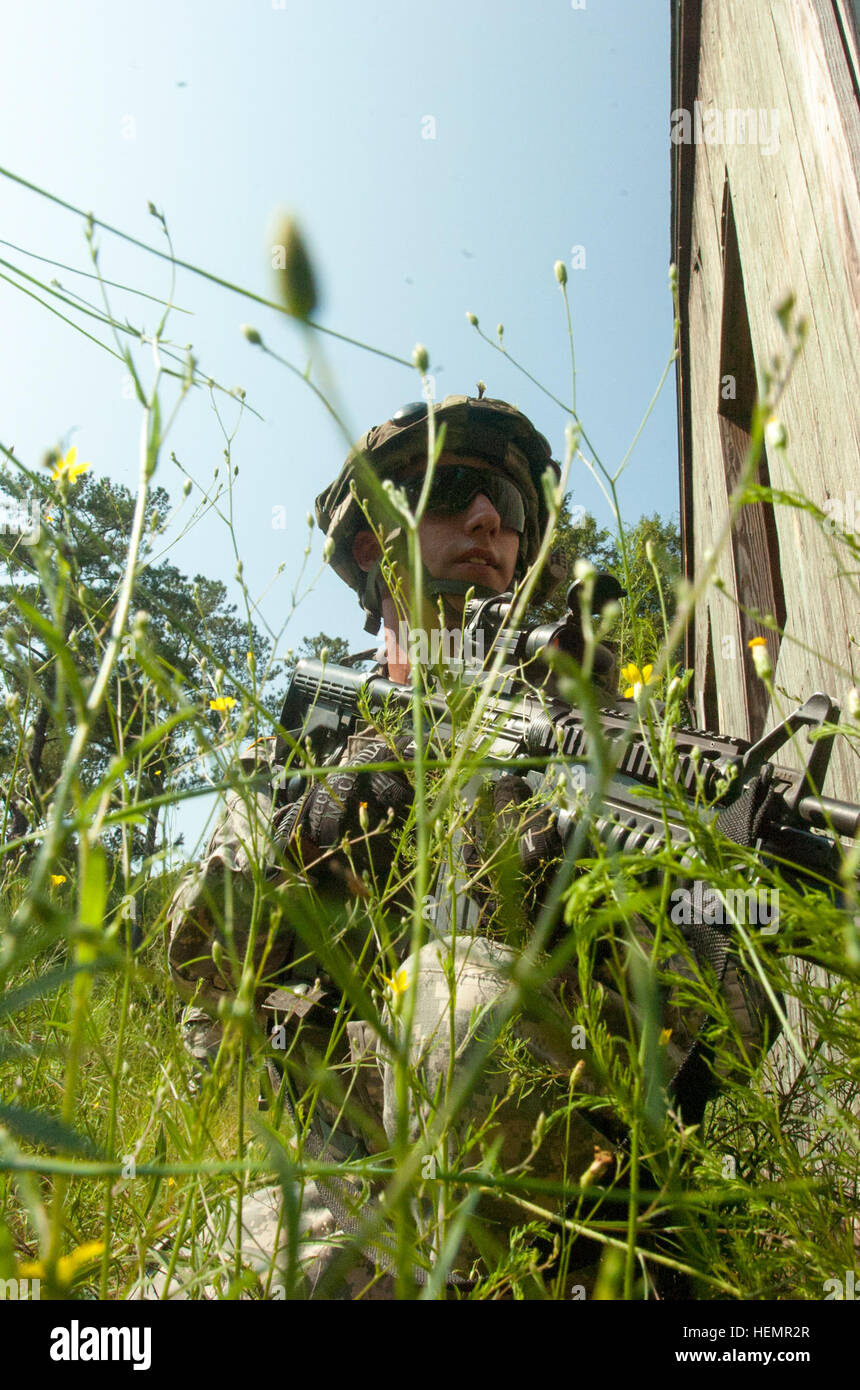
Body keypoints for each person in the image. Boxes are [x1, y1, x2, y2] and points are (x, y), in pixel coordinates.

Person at [164, 393, 777, 1299]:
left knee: (464, 1006)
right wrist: (306, 841)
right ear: (377, 544)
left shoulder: (597, 732)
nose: (489, 518)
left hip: (568, 1177)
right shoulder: (307, 744)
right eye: (452, 488)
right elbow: (193, 963)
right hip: (335, 1155)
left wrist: (584, 919)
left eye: (510, 505)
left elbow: (739, 1003)